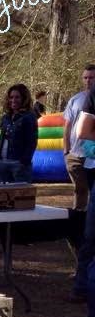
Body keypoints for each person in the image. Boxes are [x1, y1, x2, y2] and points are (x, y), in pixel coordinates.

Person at [69, 73, 95, 307]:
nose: (88, 80)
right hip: (90, 163)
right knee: (91, 234)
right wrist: (66, 150)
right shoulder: (88, 98)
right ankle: (82, 286)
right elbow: (83, 131)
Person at [62, 64, 95, 212]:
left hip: (92, 154)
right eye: (85, 77)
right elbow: (67, 126)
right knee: (79, 190)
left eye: (91, 77)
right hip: (75, 154)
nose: (88, 80)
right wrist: (66, 151)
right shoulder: (75, 100)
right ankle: (78, 220)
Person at [0, 84, 38, 184]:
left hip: (19, 164)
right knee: (4, 193)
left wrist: (24, 161)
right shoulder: (6, 117)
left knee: (21, 193)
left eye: (17, 97)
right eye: (11, 97)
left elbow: (32, 141)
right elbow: (1, 138)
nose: (13, 100)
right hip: (2, 162)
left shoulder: (29, 117)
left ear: (24, 99)